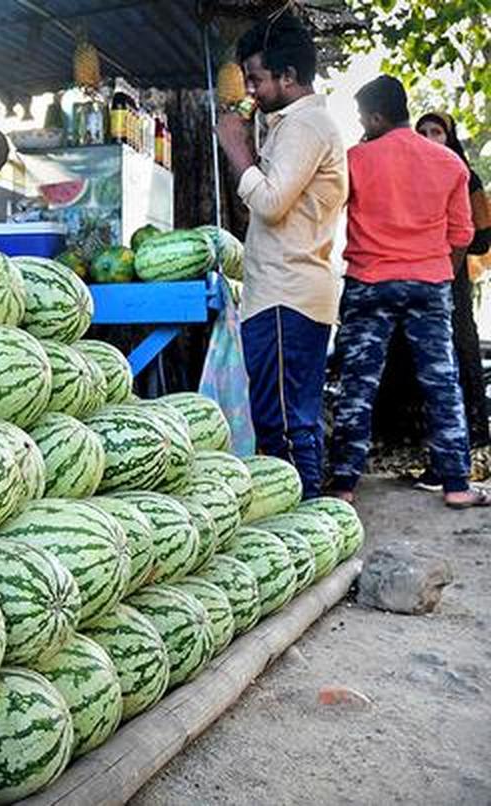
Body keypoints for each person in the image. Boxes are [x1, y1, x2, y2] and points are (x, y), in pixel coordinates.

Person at [328, 76, 487, 508]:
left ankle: (343, 484)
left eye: (363, 117)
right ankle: (456, 485)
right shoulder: (450, 164)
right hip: (429, 284)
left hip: (369, 281)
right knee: (442, 382)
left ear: (377, 116)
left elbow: (327, 213)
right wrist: (438, 274)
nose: (362, 124)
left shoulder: (355, 159)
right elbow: (462, 235)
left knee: (358, 382)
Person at [215, 11, 347, 499]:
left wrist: (236, 148)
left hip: (285, 297)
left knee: (284, 426)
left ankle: (305, 524)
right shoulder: (294, 125)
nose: (250, 89)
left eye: (257, 78)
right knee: (292, 422)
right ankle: (311, 521)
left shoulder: (305, 126)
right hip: (288, 296)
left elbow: (270, 204)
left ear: (288, 76)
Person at [409, 111, 491, 485]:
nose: (429, 139)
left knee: (458, 356)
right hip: (416, 279)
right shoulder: (409, 176)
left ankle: (472, 446)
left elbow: (482, 239)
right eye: (422, 132)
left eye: (437, 132)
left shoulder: (466, 177)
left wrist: (446, 236)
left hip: (451, 282)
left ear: (450, 137)